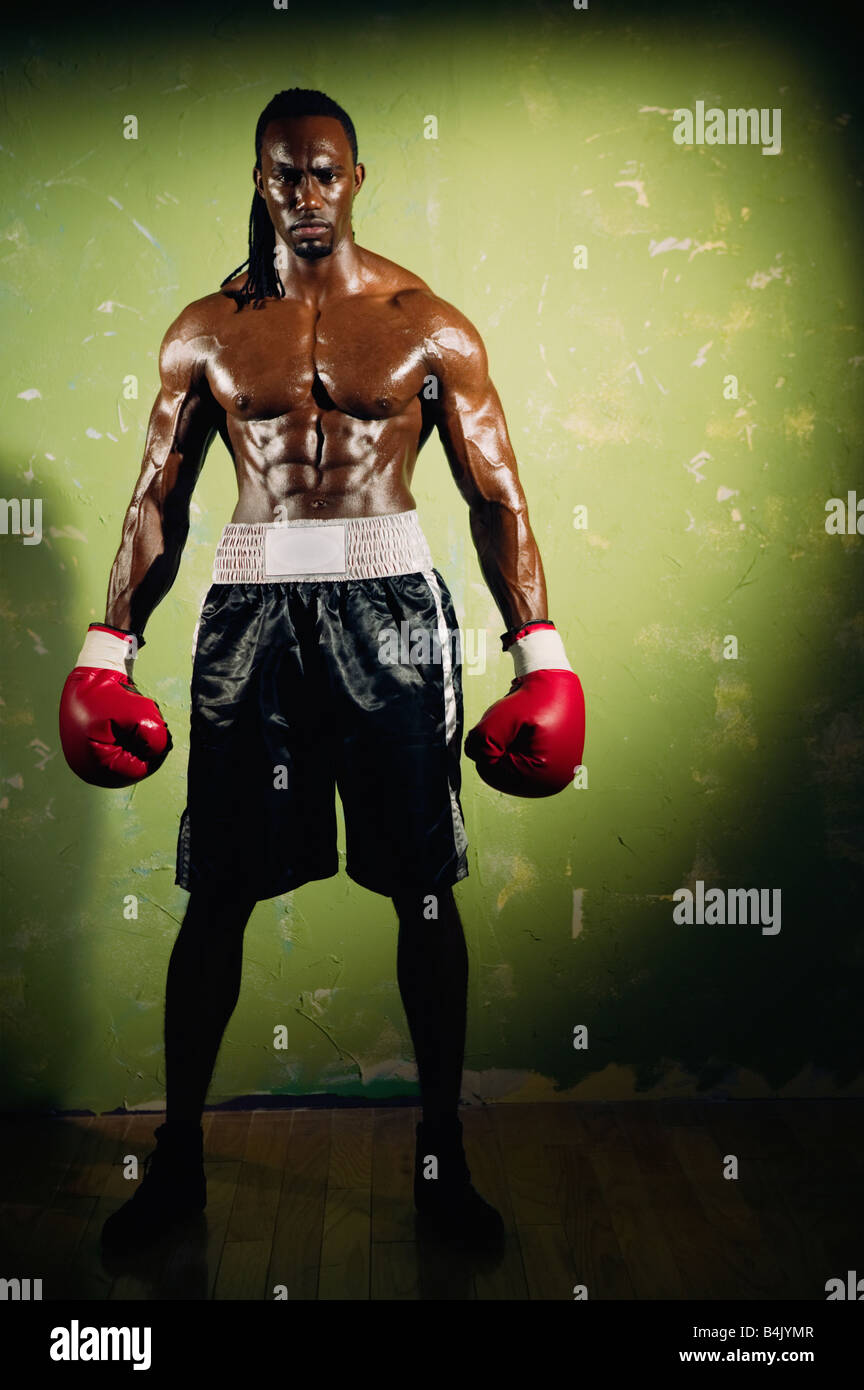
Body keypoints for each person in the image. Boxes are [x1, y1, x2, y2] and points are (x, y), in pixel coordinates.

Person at [59, 88, 585, 1257]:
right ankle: (180, 1164)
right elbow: (159, 498)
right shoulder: (205, 330)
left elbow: (497, 494)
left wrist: (536, 649)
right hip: (250, 613)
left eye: (325, 173)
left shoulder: (425, 322)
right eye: (284, 175)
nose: (305, 195)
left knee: (426, 890)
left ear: (358, 176)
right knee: (217, 895)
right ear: (259, 180)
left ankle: (442, 1166)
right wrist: (110, 645)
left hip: (391, 612)